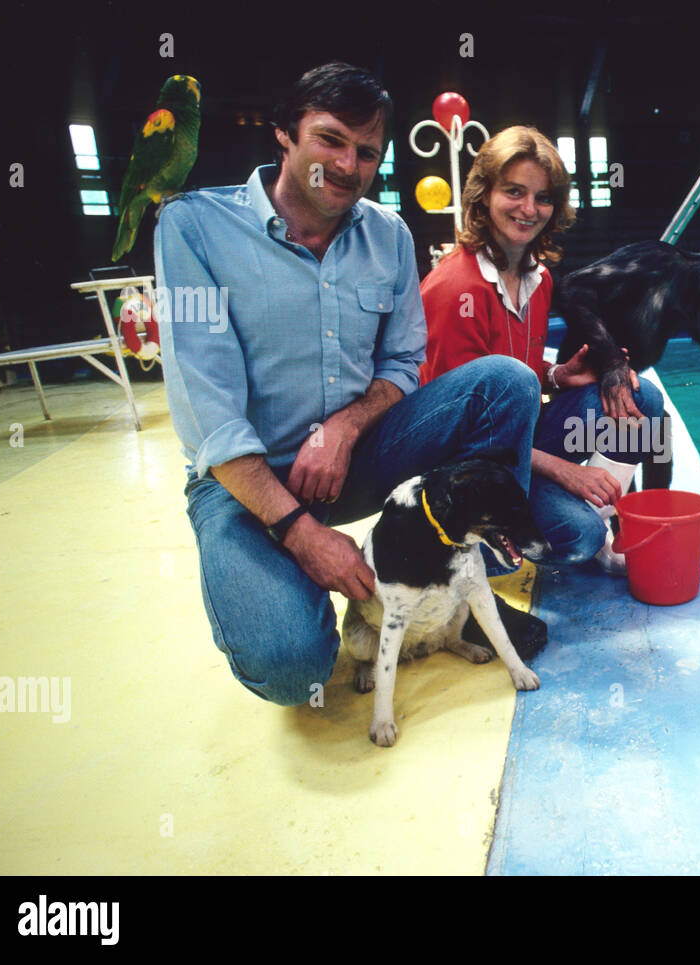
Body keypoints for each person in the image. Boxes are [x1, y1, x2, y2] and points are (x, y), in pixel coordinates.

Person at [155, 63, 543, 706]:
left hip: (353, 459)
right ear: (284, 132)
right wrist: (306, 537)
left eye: (367, 152)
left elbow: (400, 365)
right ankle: (290, 586)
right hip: (242, 480)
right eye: (330, 139)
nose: (347, 165)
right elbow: (211, 419)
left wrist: (342, 429)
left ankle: (464, 585)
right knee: (294, 670)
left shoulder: (388, 233)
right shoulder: (196, 229)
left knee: (507, 382)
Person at [418, 126, 665, 566]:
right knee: (581, 537)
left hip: (521, 443)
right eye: (514, 192)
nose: (530, 209)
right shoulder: (456, 289)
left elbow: (511, 377)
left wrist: (558, 374)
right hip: (469, 472)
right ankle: (496, 548)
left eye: (544, 197)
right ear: (483, 195)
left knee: (642, 397)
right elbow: (459, 435)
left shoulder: (539, 277)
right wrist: (566, 471)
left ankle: (600, 505)